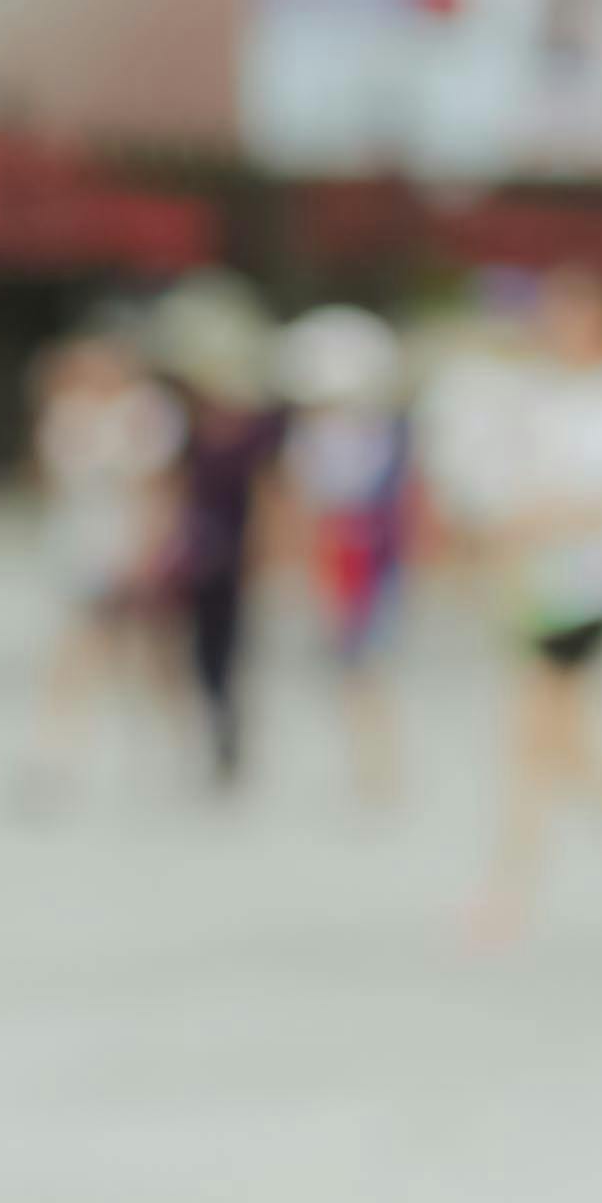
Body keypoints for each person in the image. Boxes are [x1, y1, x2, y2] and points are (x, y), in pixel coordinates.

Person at [461, 266, 602, 944]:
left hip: (595, 590)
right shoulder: (559, 395)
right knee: (554, 745)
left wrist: (530, 522)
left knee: (540, 742)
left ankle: (512, 889)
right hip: (546, 589)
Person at [16, 312, 182, 808]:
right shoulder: (66, 415)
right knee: (77, 652)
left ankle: (163, 753)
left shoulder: (145, 412)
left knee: (148, 652)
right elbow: (48, 482)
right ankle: (57, 754)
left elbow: (158, 489)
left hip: (130, 545)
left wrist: (148, 548)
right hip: (81, 545)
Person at [277, 302, 418, 810]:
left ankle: (377, 773)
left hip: (368, 561)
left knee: (363, 669)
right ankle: (368, 770)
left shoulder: (385, 435)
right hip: (337, 557)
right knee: (351, 670)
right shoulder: (319, 436)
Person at [149, 274, 286, 795]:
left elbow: (270, 488)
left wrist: (271, 547)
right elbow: (172, 486)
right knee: (188, 649)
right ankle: (198, 737)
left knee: (230, 648)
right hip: (195, 544)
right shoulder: (183, 417)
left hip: (236, 545)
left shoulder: (260, 423)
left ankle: (228, 735)